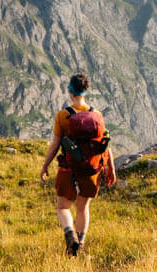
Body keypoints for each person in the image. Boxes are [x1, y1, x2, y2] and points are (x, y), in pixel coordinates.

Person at [39, 72, 115, 256]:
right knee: (83, 207)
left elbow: (56, 144)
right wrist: (111, 168)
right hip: (91, 169)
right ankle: (79, 245)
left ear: (70, 92)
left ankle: (69, 234)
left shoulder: (63, 116)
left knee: (63, 207)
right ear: (85, 91)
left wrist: (45, 165)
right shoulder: (97, 115)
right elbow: (104, 144)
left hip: (69, 169)